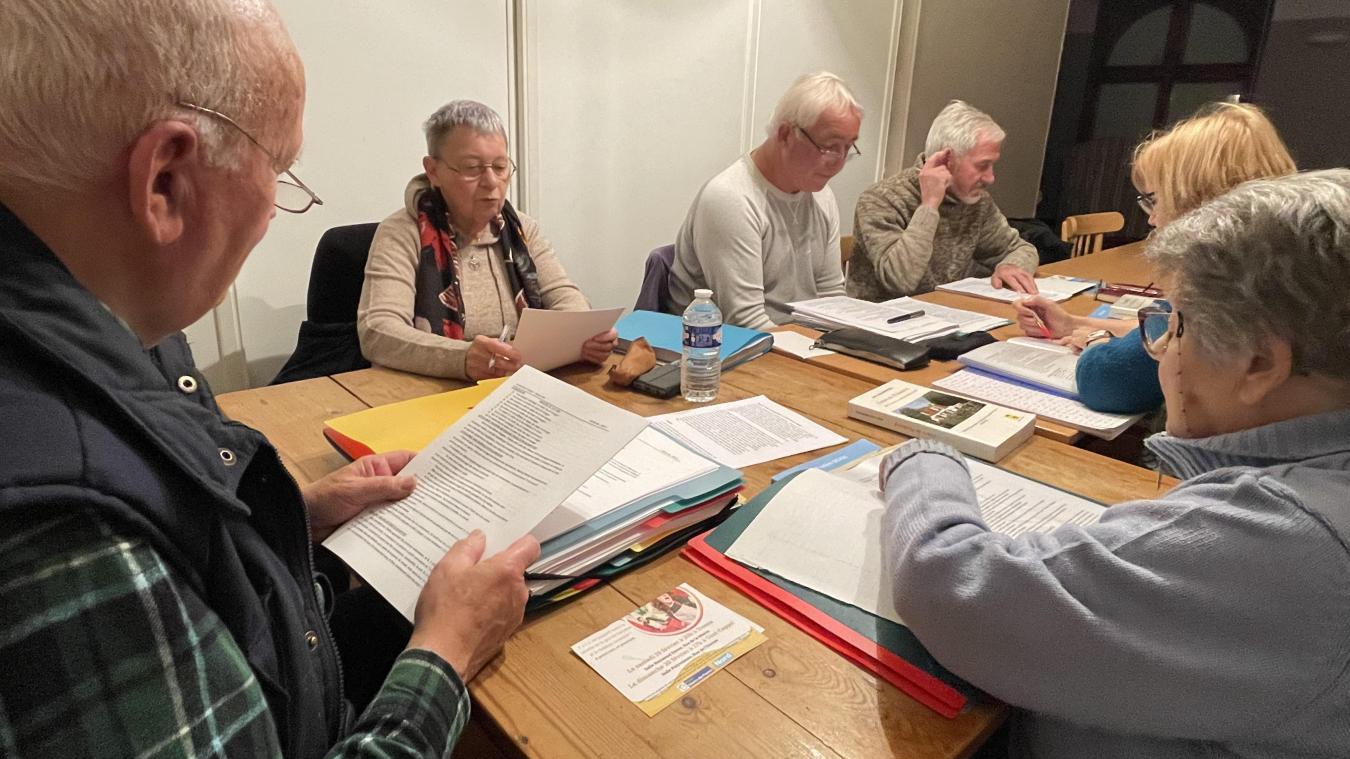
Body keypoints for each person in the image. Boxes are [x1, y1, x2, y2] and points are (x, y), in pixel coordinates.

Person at [0, 1, 539, 756]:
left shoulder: (125, 337)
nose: (278, 210)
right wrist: (448, 650)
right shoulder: (64, 529)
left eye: (499, 167)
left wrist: (292, 521)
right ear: (164, 181)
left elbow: (183, 541)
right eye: (279, 170)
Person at [879, 169, 1350, 759]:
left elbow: (948, 585)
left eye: (1175, 326)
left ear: (1259, 363)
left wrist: (924, 457)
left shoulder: (1291, 537)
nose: (1162, 352)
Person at [1014, 102, 1296, 414]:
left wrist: (1095, 340)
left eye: (1155, 200)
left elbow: (1108, 381)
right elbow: (1161, 327)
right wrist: (1072, 323)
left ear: (1198, 199)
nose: (1152, 219)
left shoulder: (1224, 288)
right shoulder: (1279, 263)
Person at [358, 100, 616, 380]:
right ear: (433, 171)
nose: (492, 182)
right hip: (430, 389)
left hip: (518, 382)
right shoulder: (401, 233)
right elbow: (378, 331)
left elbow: (564, 295)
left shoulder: (521, 229)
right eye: (472, 168)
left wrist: (582, 335)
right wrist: (461, 358)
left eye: (500, 167)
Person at [667, 72, 861, 329]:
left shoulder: (821, 194)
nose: (838, 162)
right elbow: (745, 321)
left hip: (795, 340)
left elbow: (830, 299)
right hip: (723, 345)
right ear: (786, 135)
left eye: (848, 148)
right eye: (830, 146)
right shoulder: (731, 198)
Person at [847, 99, 1039, 301]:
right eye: (982, 166)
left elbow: (1021, 248)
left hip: (946, 312)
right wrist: (929, 205)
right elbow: (901, 281)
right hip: (882, 317)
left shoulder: (978, 202)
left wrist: (1011, 266)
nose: (991, 178)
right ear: (947, 160)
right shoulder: (881, 199)